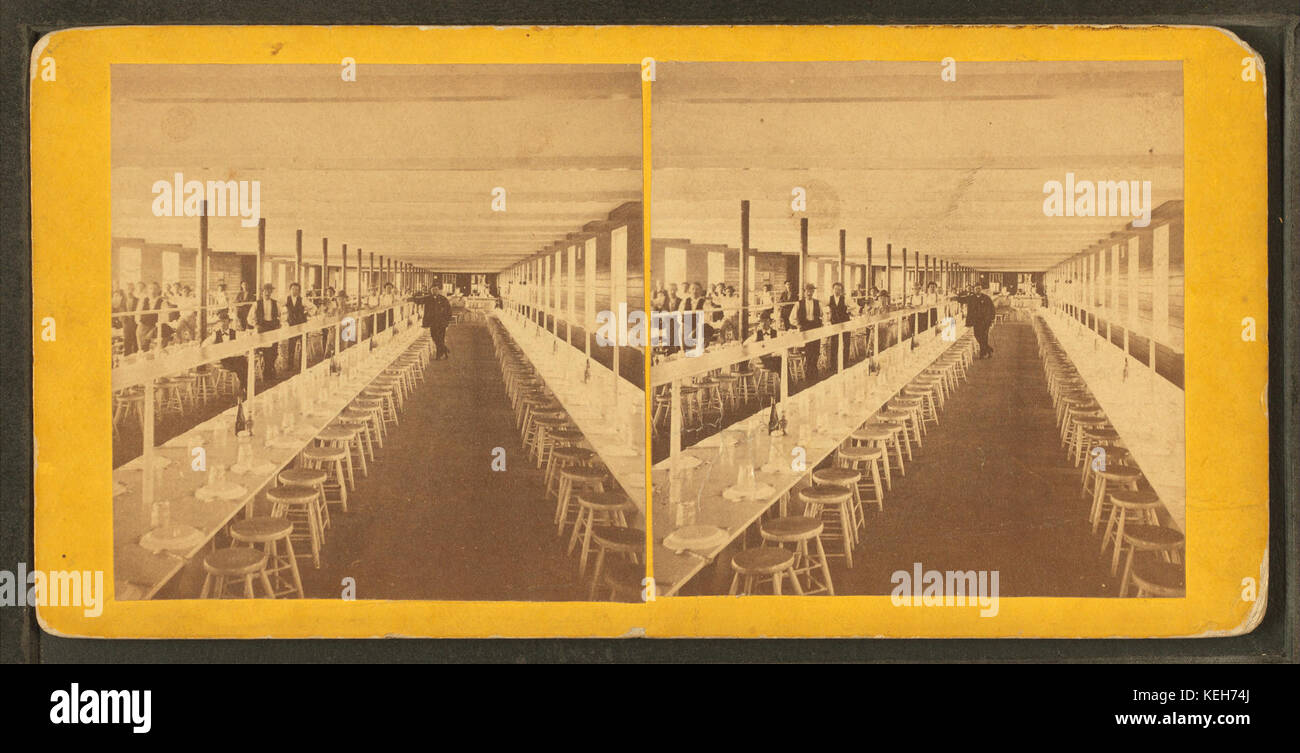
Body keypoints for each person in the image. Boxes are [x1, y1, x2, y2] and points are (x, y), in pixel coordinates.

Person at [203, 308, 248, 397]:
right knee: (240, 365)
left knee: (243, 362)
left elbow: (243, 343)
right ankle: (244, 387)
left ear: (229, 322)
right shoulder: (216, 334)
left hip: (234, 357)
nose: (223, 323)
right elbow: (205, 345)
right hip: (224, 360)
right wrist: (214, 351)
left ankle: (243, 386)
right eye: (221, 322)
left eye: (225, 321)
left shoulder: (234, 333)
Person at [410, 286, 452, 359]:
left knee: (441, 338)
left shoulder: (443, 299)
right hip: (432, 322)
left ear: (438, 290)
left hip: (442, 322)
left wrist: (447, 320)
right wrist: (411, 298)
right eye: (433, 290)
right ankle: (444, 349)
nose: (434, 291)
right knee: (434, 336)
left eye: (436, 289)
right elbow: (418, 300)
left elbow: (449, 310)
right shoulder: (428, 298)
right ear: (431, 291)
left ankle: (439, 355)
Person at [795, 283, 823, 384]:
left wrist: (821, 322)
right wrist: (798, 325)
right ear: (804, 292)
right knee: (808, 351)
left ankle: (814, 372)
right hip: (805, 328)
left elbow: (822, 315)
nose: (809, 293)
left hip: (816, 328)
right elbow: (792, 318)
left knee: (816, 351)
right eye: (808, 291)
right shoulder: (799, 303)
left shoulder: (818, 303)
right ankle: (808, 373)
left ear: (813, 292)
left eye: (811, 291)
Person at [254, 283, 281, 382]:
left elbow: (281, 315)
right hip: (263, 328)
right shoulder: (257, 303)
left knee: (274, 351)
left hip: (273, 327)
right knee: (266, 351)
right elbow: (250, 317)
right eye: (266, 290)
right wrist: (256, 325)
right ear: (262, 292)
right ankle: (267, 372)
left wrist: (279, 322)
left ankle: (270, 369)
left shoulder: (275, 303)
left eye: (270, 291)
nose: (268, 292)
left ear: (271, 292)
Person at [826, 281, 850, 372]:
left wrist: (849, 310)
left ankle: (845, 363)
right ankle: (833, 365)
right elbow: (822, 307)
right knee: (834, 344)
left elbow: (855, 307)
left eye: (839, 289)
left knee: (846, 343)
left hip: (845, 323)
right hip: (835, 324)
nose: (837, 291)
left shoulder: (846, 299)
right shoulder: (829, 299)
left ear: (841, 290)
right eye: (835, 289)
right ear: (832, 290)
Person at [284, 282, 308, 372]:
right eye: (293, 289)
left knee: (303, 345)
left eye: (297, 289)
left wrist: (307, 313)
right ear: (290, 290)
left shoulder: (303, 300)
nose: (295, 291)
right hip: (292, 325)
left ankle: (302, 365)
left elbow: (313, 307)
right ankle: (290, 366)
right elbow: (278, 307)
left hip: (301, 325)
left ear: (299, 291)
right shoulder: (286, 299)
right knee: (291, 346)